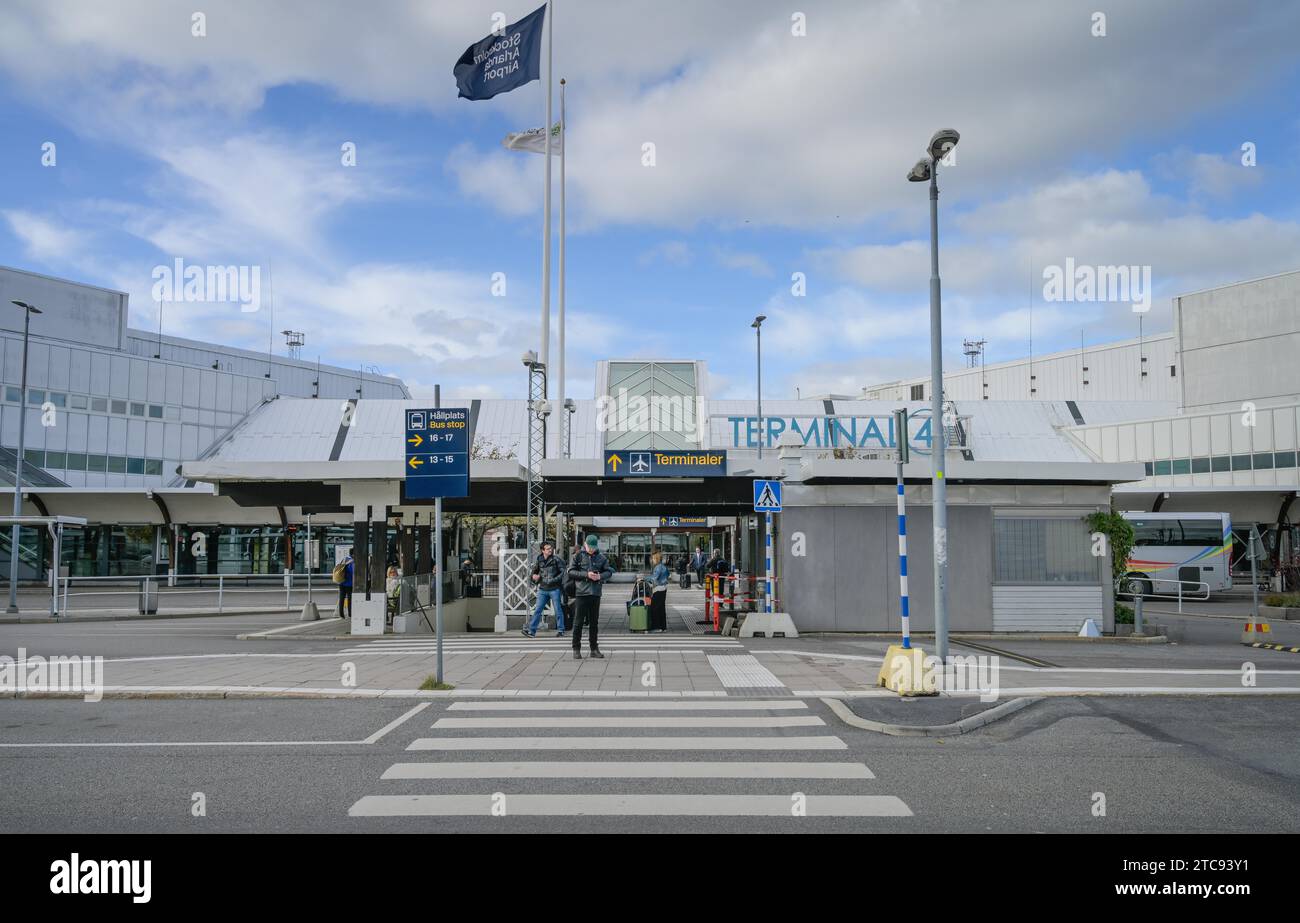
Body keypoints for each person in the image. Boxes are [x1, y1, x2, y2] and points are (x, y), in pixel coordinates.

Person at [567, 534, 613, 660]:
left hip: (595, 593)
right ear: (585, 544)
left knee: (594, 623)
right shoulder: (578, 556)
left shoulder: (601, 557)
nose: (591, 550)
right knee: (578, 622)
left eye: (593, 547)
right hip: (581, 592)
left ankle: (594, 649)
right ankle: (576, 648)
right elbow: (570, 571)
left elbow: (609, 571)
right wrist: (586, 574)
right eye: (589, 547)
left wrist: (600, 576)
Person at [522, 540, 566, 638]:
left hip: (554, 588)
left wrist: (553, 580)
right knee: (538, 610)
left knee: (558, 610)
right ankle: (531, 631)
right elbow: (534, 572)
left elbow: (563, 573)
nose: (550, 550)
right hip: (543, 589)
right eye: (548, 549)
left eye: (551, 548)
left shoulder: (556, 560)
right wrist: (534, 577)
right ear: (543, 550)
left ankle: (561, 630)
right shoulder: (539, 559)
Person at [648, 551, 670, 632]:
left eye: (653, 558)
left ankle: (656, 627)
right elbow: (668, 574)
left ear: (656, 559)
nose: (652, 560)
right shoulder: (663, 566)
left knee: (655, 608)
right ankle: (663, 627)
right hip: (664, 588)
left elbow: (654, 578)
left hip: (658, 588)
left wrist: (644, 578)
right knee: (661, 608)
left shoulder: (657, 567)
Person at [337, 548, 354, 620]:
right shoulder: (353, 562)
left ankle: (341, 614)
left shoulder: (344, 559)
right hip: (349, 584)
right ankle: (350, 614)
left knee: (341, 598)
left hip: (341, 582)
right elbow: (353, 572)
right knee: (350, 599)